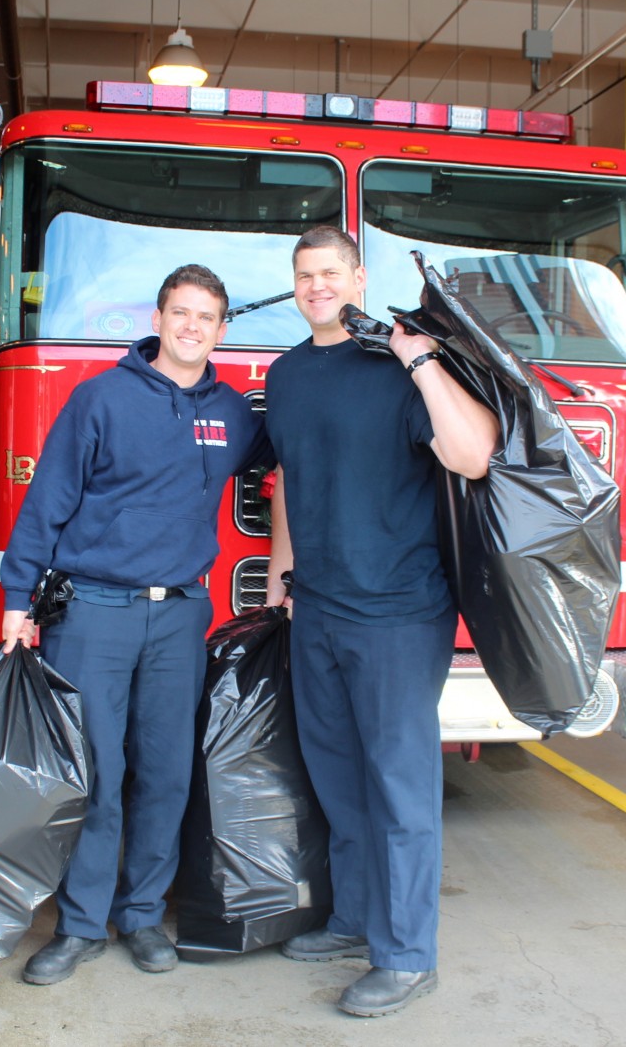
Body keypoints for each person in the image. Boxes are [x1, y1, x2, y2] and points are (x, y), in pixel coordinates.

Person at [0, 264, 269, 986]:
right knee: (95, 774)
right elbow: (46, 503)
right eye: (180, 313)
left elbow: (304, 452)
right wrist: (17, 602)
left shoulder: (234, 415)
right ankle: (82, 924)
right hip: (93, 613)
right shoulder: (100, 400)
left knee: (165, 772)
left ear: (221, 329)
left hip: (180, 617)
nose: (191, 327)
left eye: (206, 317)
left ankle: (143, 914)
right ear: (158, 317)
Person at [263, 226, 498, 1018]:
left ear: (358, 277)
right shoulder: (288, 374)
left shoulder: (400, 367)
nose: (317, 285)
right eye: (305, 274)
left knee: (399, 789)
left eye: (331, 272)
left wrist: (421, 360)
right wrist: (280, 580)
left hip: (399, 613)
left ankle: (406, 956)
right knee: (338, 779)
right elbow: (292, 480)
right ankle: (356, 920)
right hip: (318, 607)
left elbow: (473, 455)